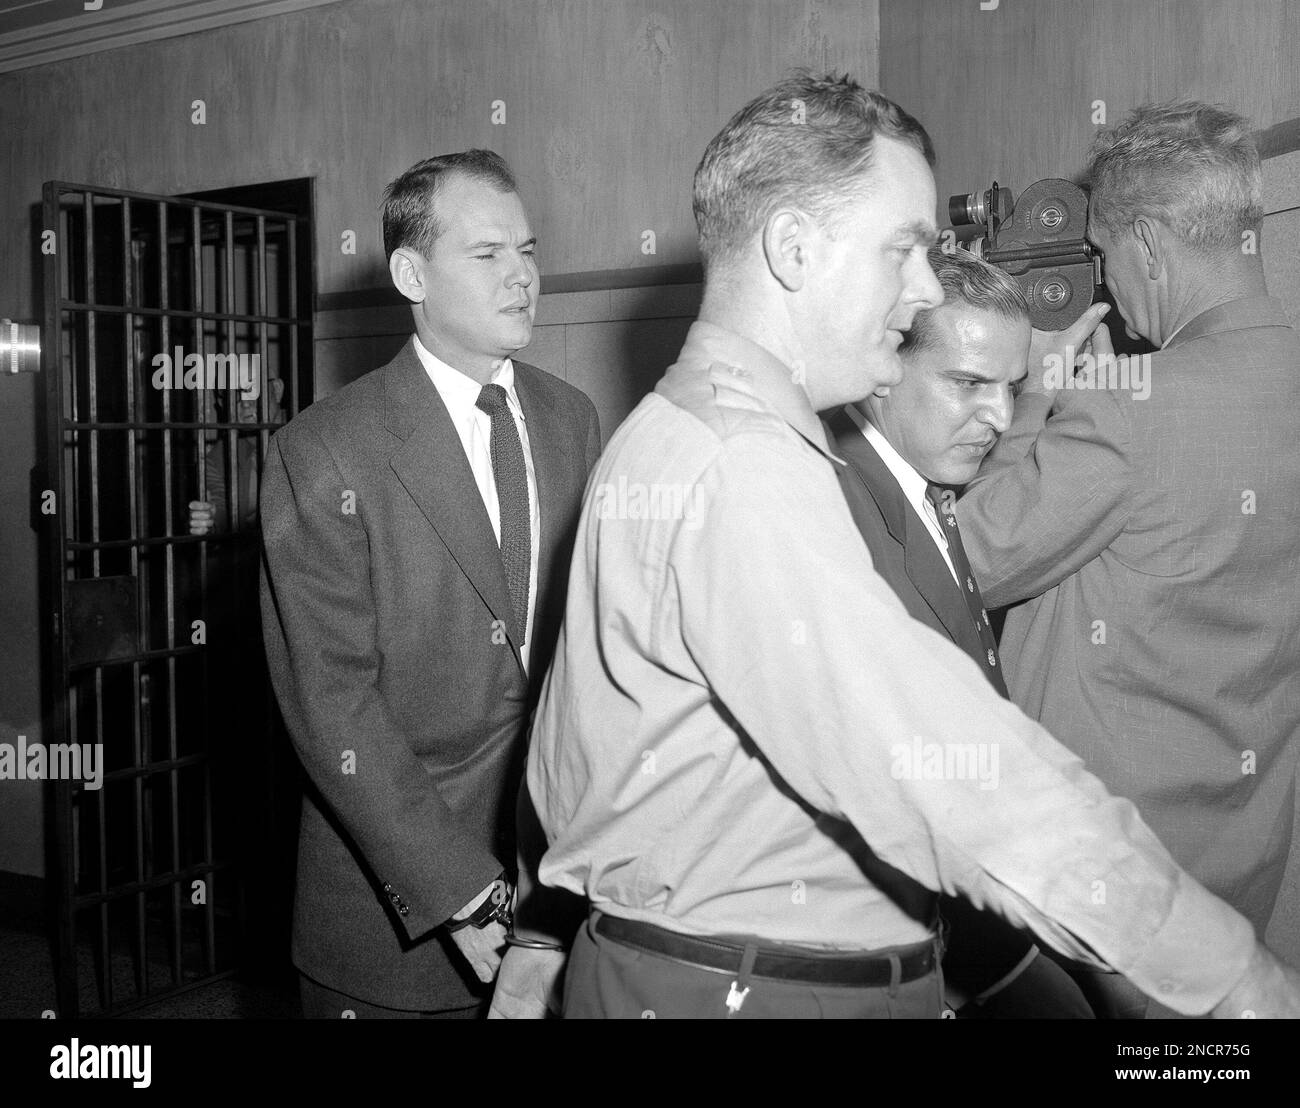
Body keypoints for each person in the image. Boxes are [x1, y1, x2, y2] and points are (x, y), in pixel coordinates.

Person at [495, 72, 1300, 1020]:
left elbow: (559, 774)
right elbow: (941, 764)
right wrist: (1227, 976)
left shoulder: (677, 433)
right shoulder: (739, 467)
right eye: (905, 250)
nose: (925, 290)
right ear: (794, 249)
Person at [956, 101, 1300, 1018]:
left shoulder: (1129, 405)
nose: (1108, 281)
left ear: (1149, 242)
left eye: (1106, 256)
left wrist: (1031, 402)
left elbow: (966, 561)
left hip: (1107, 877)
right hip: (1242, 854)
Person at [259, 148, 601, 1018]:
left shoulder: (572, 418)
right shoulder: (325, 448)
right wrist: (461, 890)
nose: (522, 277)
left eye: (527, 251)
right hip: (395, 913)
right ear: (411, 273)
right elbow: (331, 701)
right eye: (488, 255)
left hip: (560, 888)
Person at [827, 246, 1090, 1018]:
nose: (1000, 417)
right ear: (882, 361)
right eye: (969, 384)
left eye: (1012, 388)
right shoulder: (833, 502)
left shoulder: (922, 476)